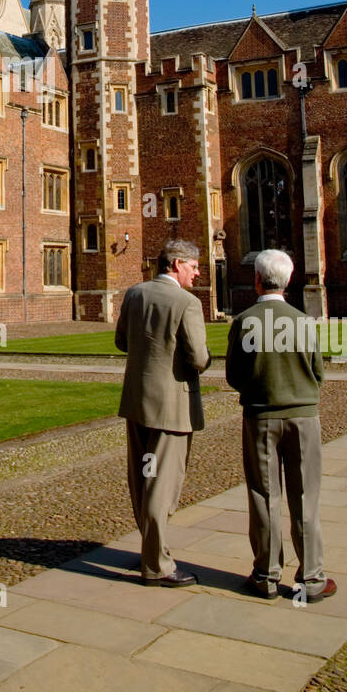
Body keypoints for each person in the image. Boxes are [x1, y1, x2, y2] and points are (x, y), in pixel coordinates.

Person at [225, 248, 336, 601]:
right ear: (288, 282)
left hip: (261, 417)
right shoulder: (305, 321)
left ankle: (266, 575)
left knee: (264, 496)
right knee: (306, 497)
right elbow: (318, 372)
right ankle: (313, 578)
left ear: (257, 279)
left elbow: (234, 375)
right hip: (304, 417)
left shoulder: (245, 321)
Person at [115, 239, 212, 586]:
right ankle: (158, 565)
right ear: (175, 264)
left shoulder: (134, 294)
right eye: (194, 266)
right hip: (171, 405)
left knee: (142, 477)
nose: (198, 272)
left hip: (137, 400)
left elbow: (122, 342)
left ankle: (150, 548)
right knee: (161, 484)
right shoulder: (188, 303)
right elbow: (198, 358)